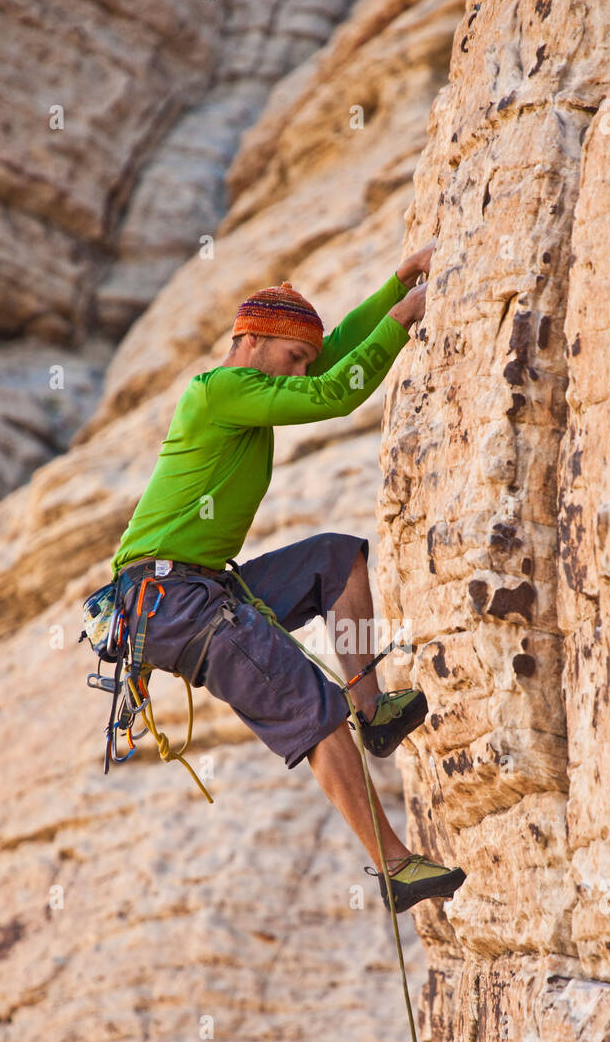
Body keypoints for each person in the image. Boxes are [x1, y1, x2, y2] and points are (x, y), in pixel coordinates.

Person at [109, 238, 466, 913]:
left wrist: (395, 287)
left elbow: (329, 362)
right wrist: (408, 316)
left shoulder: (253, 388)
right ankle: (394, 868)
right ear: (250, 340)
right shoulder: (218, 392)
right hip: (170, 599)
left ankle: (375, 712)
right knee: (312, 710)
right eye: (292, 357)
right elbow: (334, 394)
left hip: (199, 587)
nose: (301, 371)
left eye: (303, 360)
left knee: (339, 558)